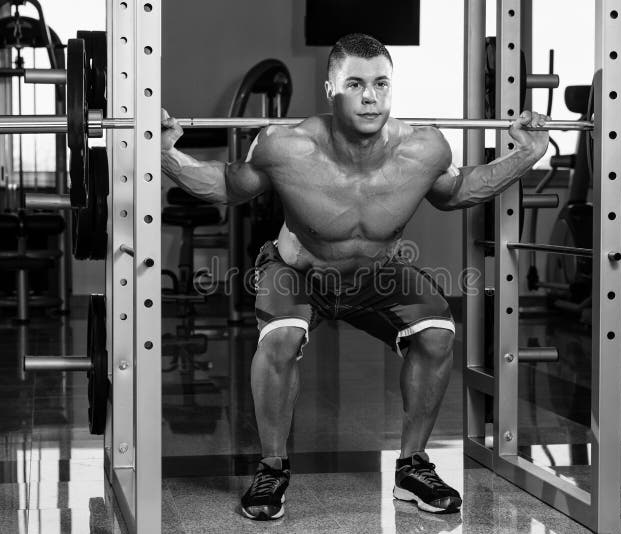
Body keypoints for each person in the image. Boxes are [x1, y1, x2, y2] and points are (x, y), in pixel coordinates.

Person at [161, 33, 549, 521]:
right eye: (356, 84)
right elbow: (225, 185)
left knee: (437, 334)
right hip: (297, 272)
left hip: (377, 277)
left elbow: (457, 190)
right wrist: (165, 155)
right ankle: (272, 469)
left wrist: (527, 154)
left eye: (381, 83)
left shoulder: (424, 147)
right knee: (278, 340)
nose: (370, 96)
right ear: (330, 88)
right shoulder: (286, 146)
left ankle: (411, 469)